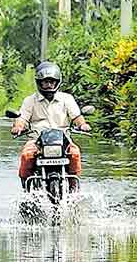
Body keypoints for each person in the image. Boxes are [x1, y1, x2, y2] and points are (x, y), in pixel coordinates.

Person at [11, 62, 92, 190]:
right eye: (45, 82)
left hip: (63, 140)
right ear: (39, 82)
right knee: (26, 155)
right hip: (36, 140)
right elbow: (22, 119)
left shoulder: (67, 99)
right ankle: (26, 188)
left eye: (52, 82)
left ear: (57, 82)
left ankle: (74, 187)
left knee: (75, 153)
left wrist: (83, 124)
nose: (49, 85)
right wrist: (18, 127)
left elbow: (77, 117)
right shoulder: (30, 100)